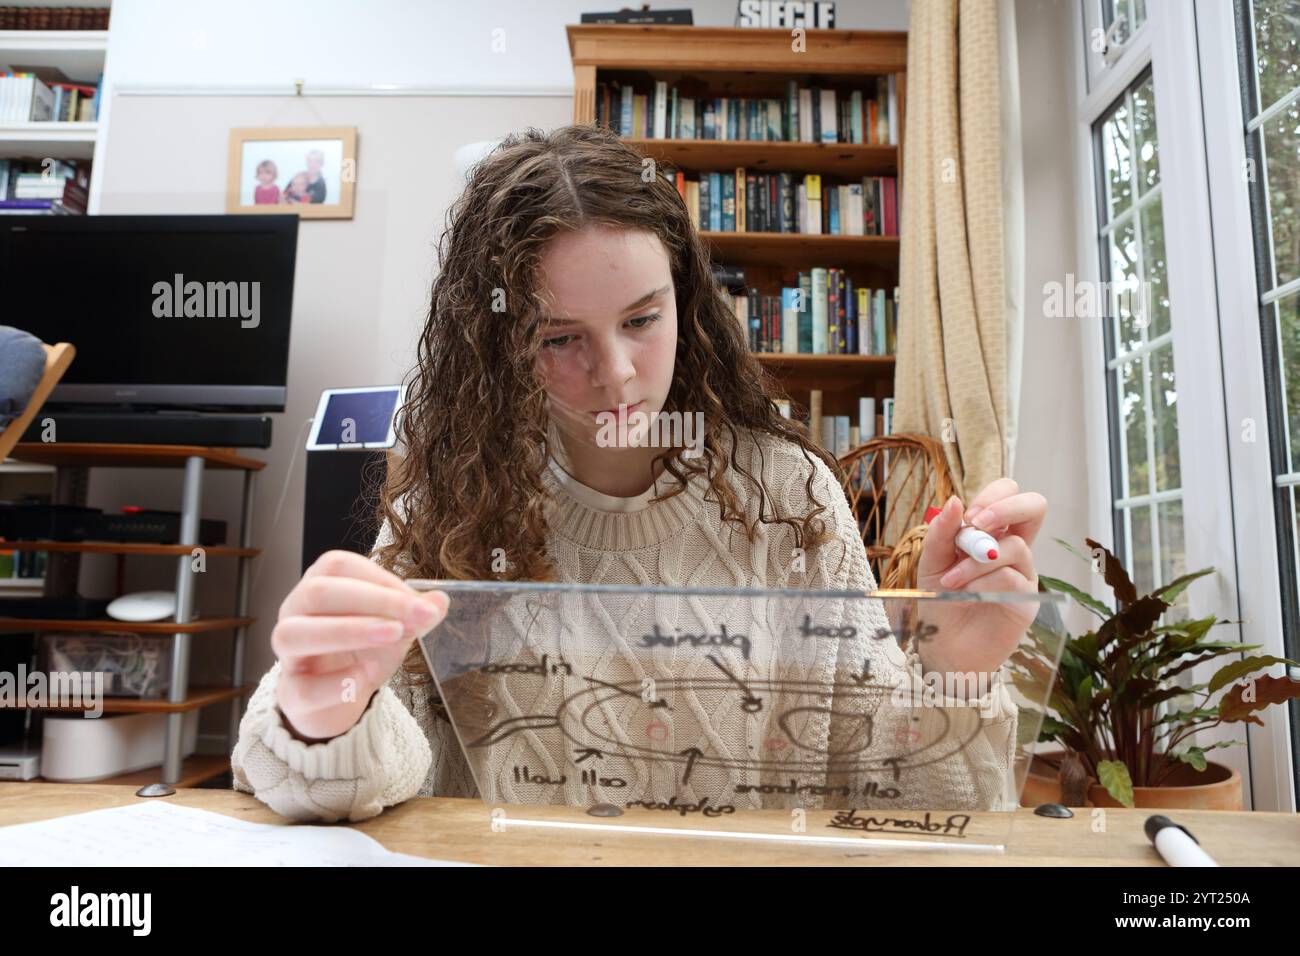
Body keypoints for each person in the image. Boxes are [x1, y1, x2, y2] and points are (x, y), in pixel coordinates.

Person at [231, 124, 1047, 823]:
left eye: (642, 320)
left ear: (686, 304)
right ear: (501, 342)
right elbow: (380, 770)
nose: (617, 374)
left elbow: (892, 804)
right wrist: (326, 718)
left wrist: (956, 675)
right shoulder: (454, 500)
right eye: (560, 339)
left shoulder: (785, 492)